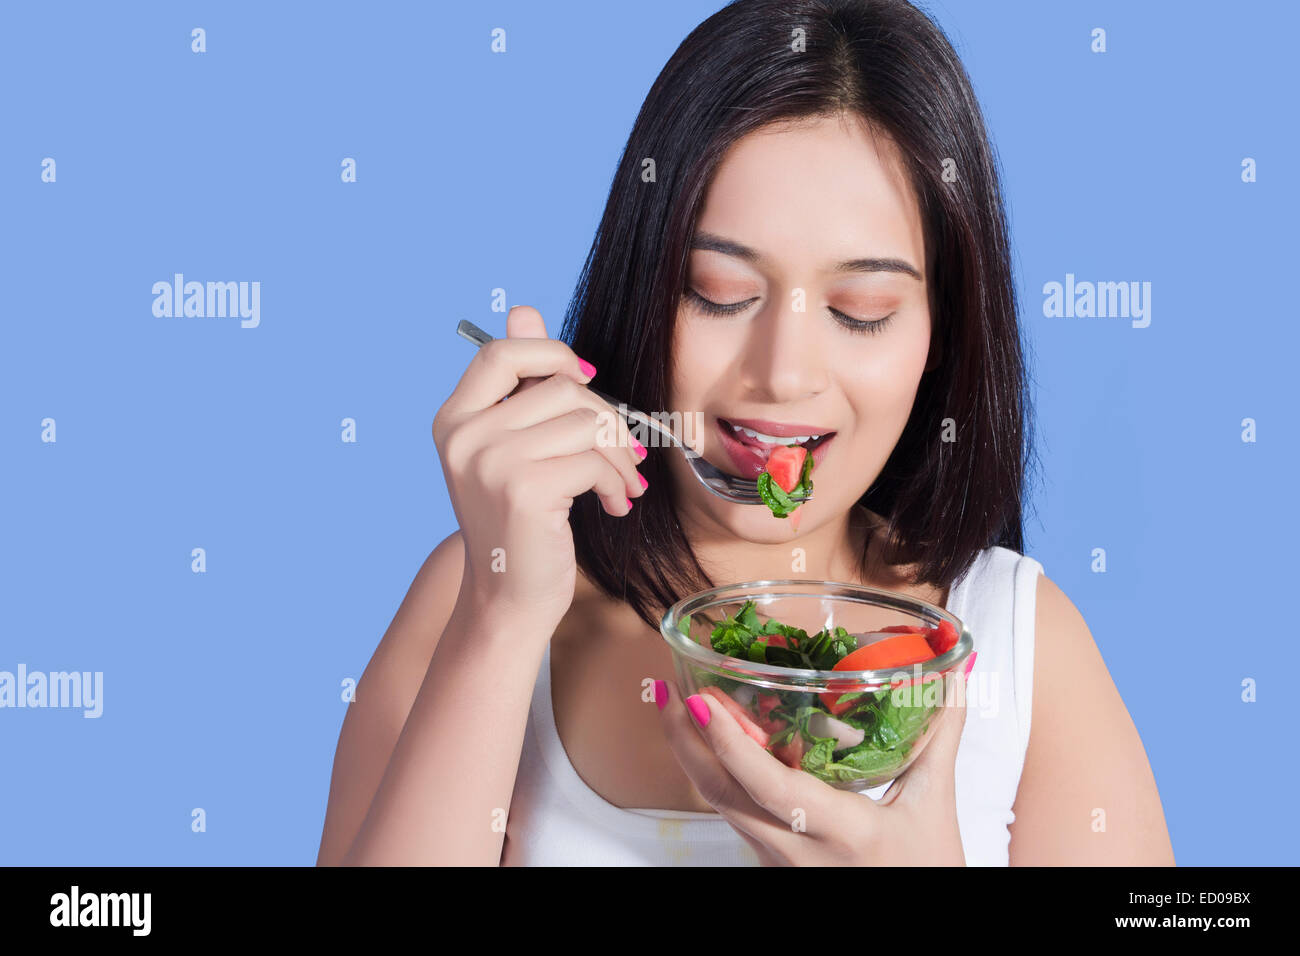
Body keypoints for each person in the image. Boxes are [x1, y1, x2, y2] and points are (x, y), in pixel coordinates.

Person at [316, 0, 1175, 866]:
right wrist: (502, 617)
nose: (783, 372)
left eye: (860, 311)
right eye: (719, 292)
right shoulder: (480, 593)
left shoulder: (1022, 641)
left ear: (938, 334)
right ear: (644, 288)